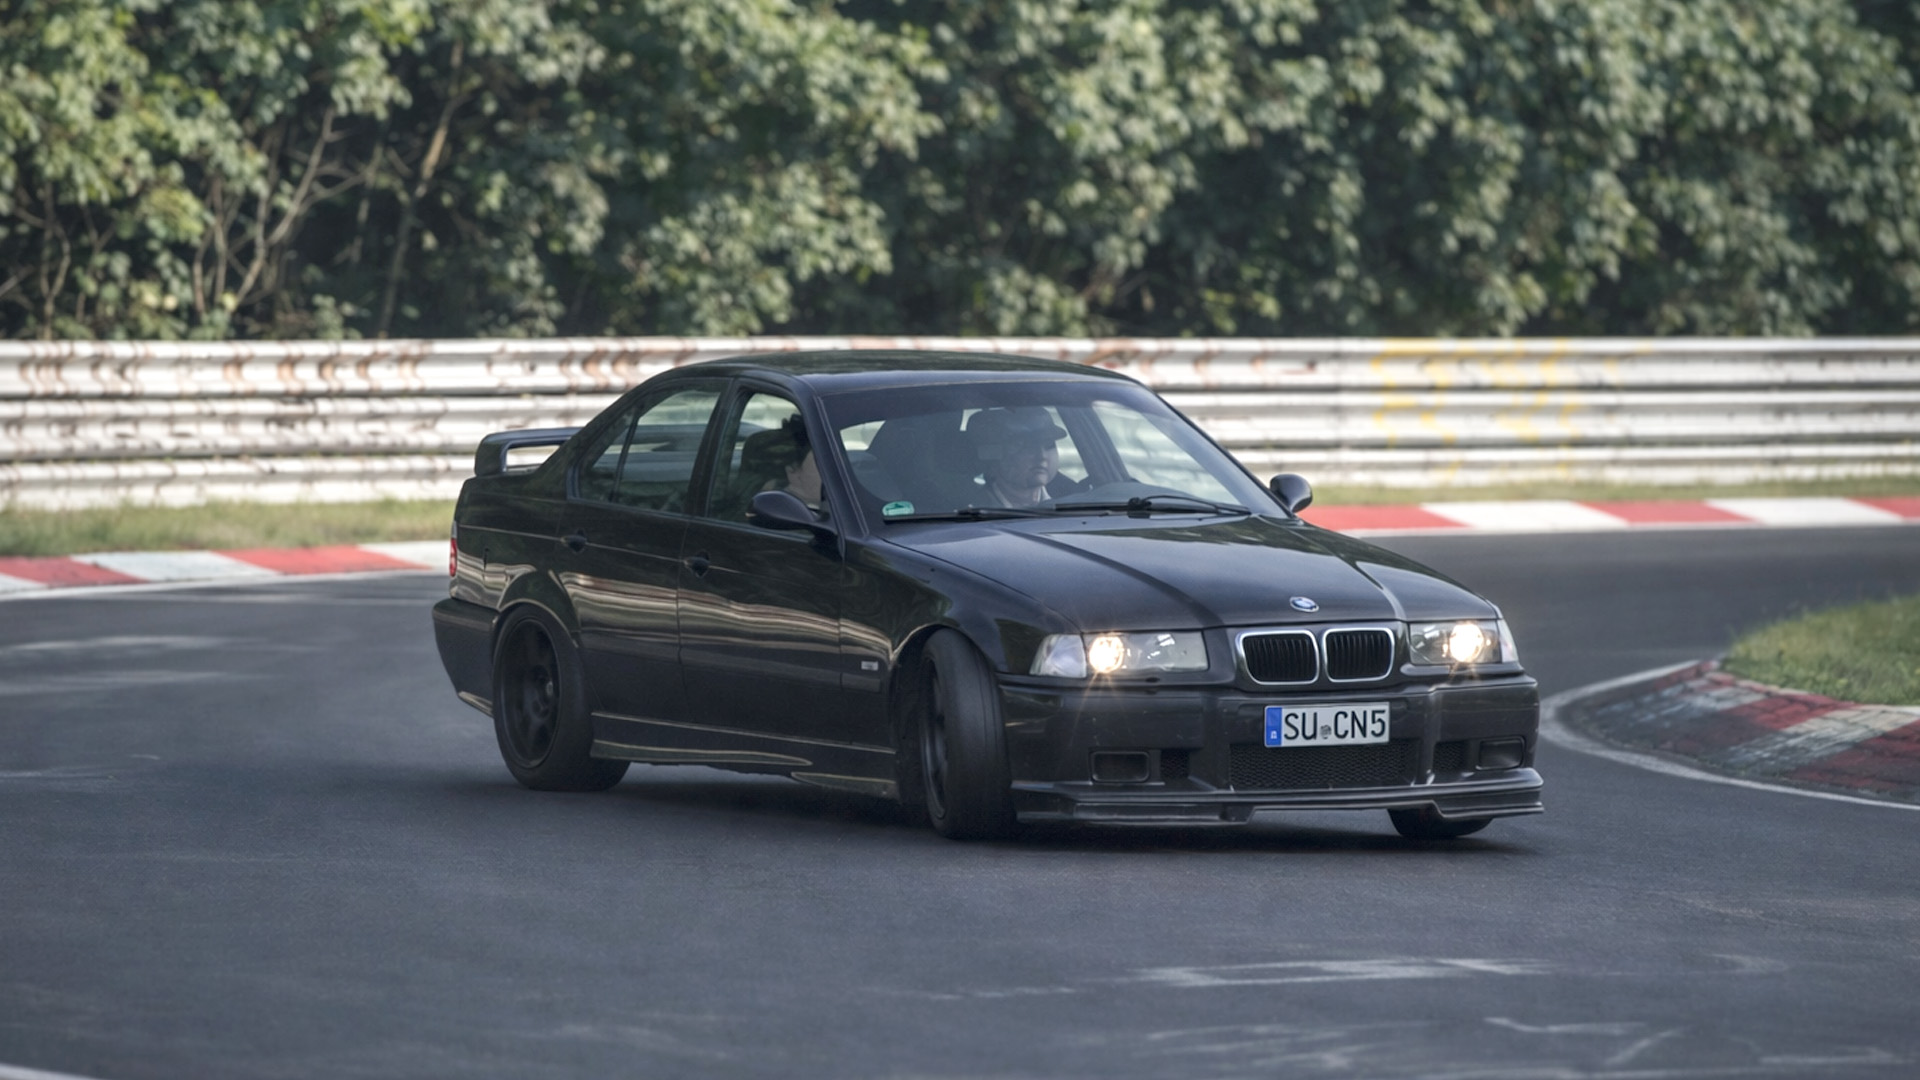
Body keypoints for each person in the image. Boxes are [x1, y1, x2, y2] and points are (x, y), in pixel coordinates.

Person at [966, 407, 1066, 507]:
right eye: (1028, 447)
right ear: (995, 457)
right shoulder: (970, 508)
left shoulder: (1070, 496)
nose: (1042, 456)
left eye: (1049, 445)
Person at [741, 415, 821, 508]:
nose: (833, 470)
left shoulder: (826, 505)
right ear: (792, 471)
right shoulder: (774, 508)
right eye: (820, 465)